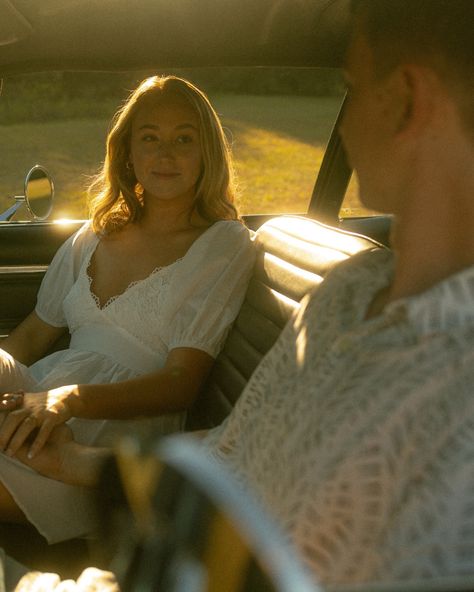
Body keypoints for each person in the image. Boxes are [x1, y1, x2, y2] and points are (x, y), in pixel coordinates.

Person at [4, 0, 474, 586]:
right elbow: (239, 451)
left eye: (351, 87)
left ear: (406, 98)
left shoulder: (455, 371)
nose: (345, 125)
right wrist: (78, 465)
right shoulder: (350, 292)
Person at [0, 75, 255, 544]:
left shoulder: (223, 244)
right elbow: (33, 337)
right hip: (40, 398)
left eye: (184, 139)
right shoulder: (95, 234)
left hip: (113, 435)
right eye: (150, 138)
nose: (165, 154)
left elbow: (181, 385)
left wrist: (70, 400)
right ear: (128, 154)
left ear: (207, 154)